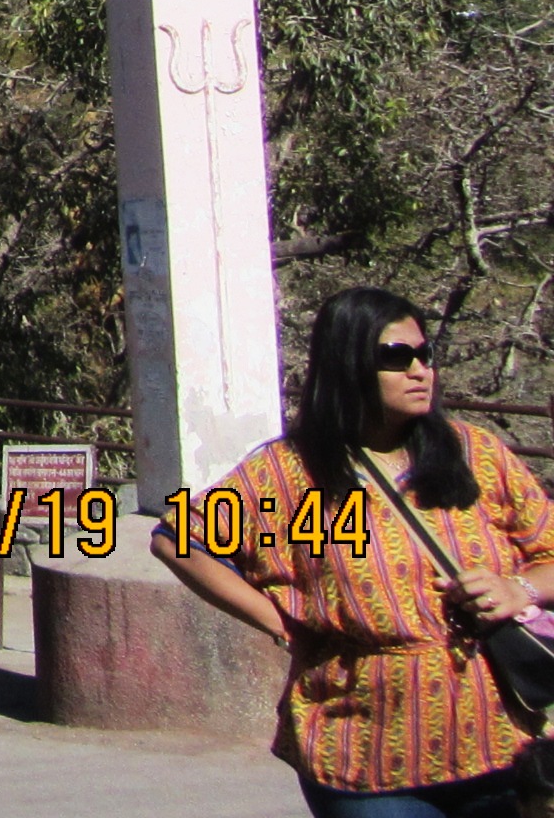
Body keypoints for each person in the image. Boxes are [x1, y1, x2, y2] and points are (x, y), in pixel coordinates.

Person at [155, 286, 554, 818]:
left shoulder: (475, 454)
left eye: (424, 354)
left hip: (498, 749)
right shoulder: (289, 473)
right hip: (363, 759)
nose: (419, 370)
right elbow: (177, 539)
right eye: (396, 357)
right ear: (349, 365)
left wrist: (518, 588)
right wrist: (277, 619)